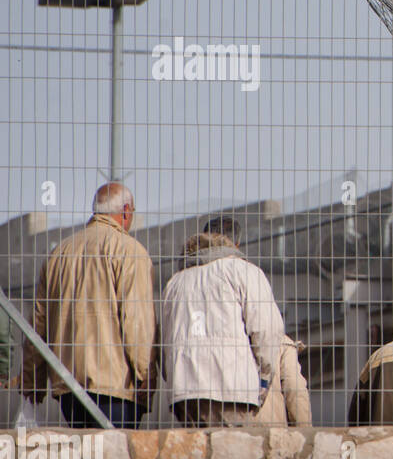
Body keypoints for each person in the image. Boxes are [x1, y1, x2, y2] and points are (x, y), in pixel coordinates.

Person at [20, 183, 156, 428]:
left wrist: (33, 380)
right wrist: (147, 379)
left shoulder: (59, 254)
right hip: (116, 388)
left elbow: (38, 324)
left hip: (69, 387)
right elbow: (137, 324)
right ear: (126, 211)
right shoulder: (130, 251)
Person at [160, 230, 286, 427]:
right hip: (233, 387)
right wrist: (263, 377)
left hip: (185, 391)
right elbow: (267, 329)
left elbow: (165, 341)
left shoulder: (174, 283)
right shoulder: (243, 271)